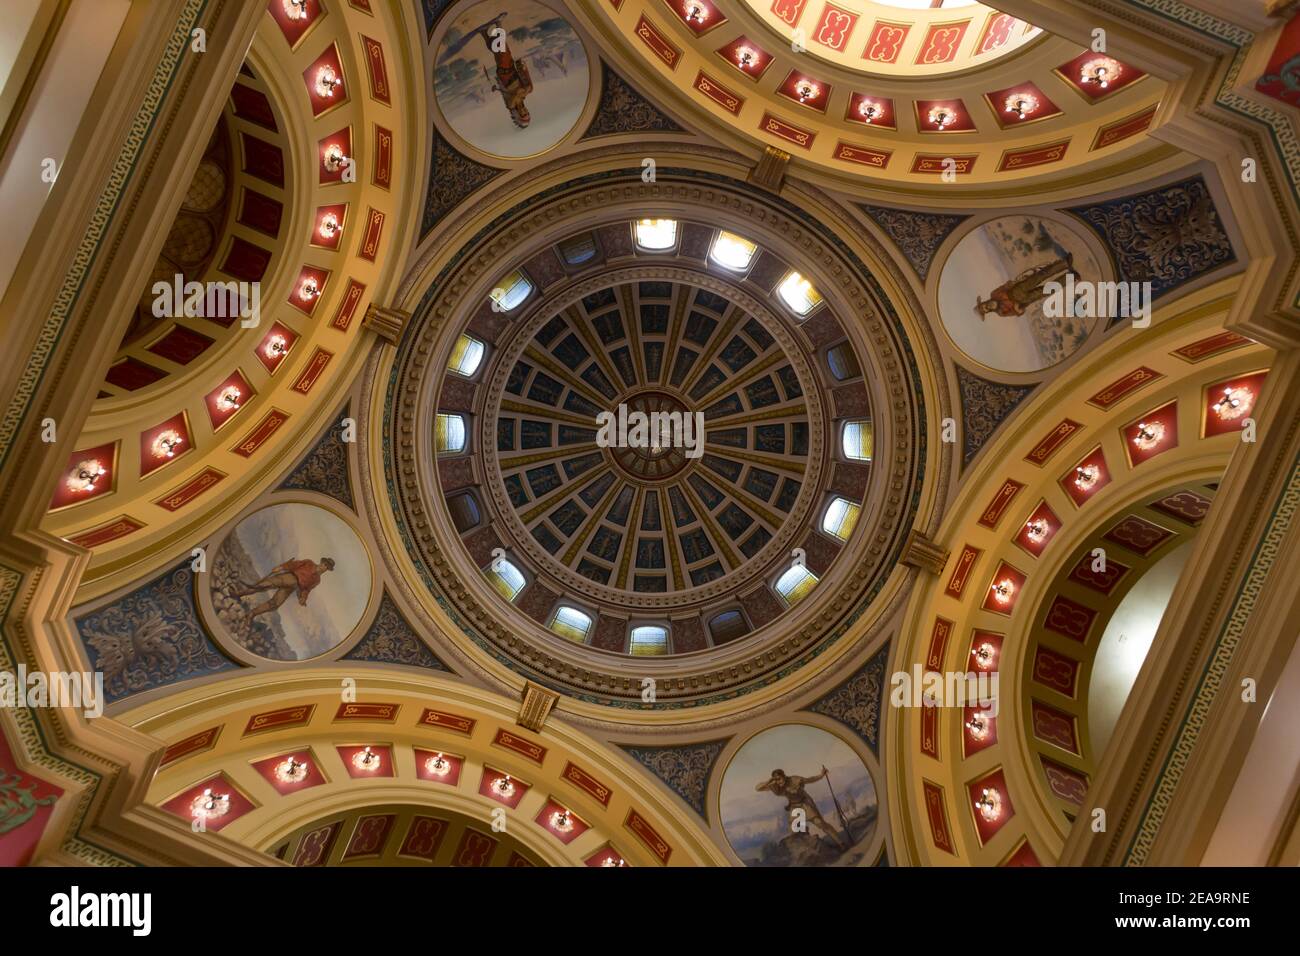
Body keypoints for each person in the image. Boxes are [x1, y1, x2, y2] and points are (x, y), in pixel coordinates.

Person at [756, 767, 845, 849]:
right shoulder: (775, 785)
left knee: (820, 823)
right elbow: (758, 788)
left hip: (805, 803)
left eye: (779, 778)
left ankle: (840, 843)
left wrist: (821, 775)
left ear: (784, 776)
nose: (779, 782)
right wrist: (769, 781)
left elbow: (810, 780)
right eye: (776, 780)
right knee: (795, 830)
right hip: (794, 807)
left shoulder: (795, 779)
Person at [231, 557, 335, 620]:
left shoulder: (317, 580)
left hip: (292, 588)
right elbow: (293, 564)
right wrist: (280, 568)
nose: (324, 567)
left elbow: (306, 590)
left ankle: (251, 614)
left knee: (275, 604)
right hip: (287, 577)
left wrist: (303, 599)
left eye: (327, 567)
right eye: (324, 564)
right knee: (263, 586)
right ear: (321, 562)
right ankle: (239, 593)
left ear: (327, 570)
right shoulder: (309, 563)